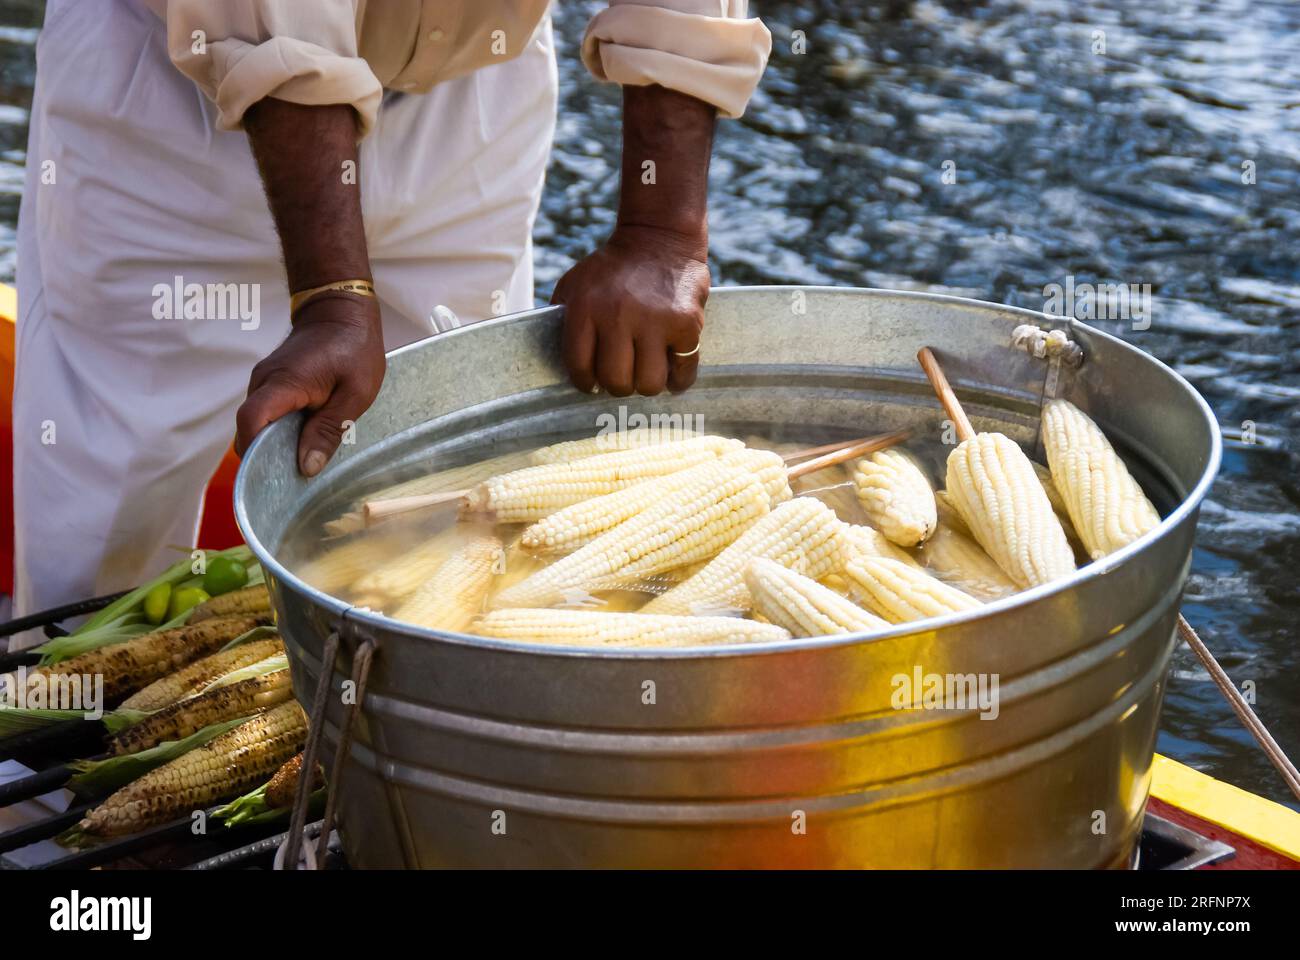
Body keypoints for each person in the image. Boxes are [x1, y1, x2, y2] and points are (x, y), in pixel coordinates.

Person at [11, 0, 771, 634]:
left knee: (448, 485)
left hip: (470, 87)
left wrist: (661, 232)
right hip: (178, 93)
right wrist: (333, 297)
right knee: (115, 484)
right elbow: (283, 20)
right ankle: (46, 775)